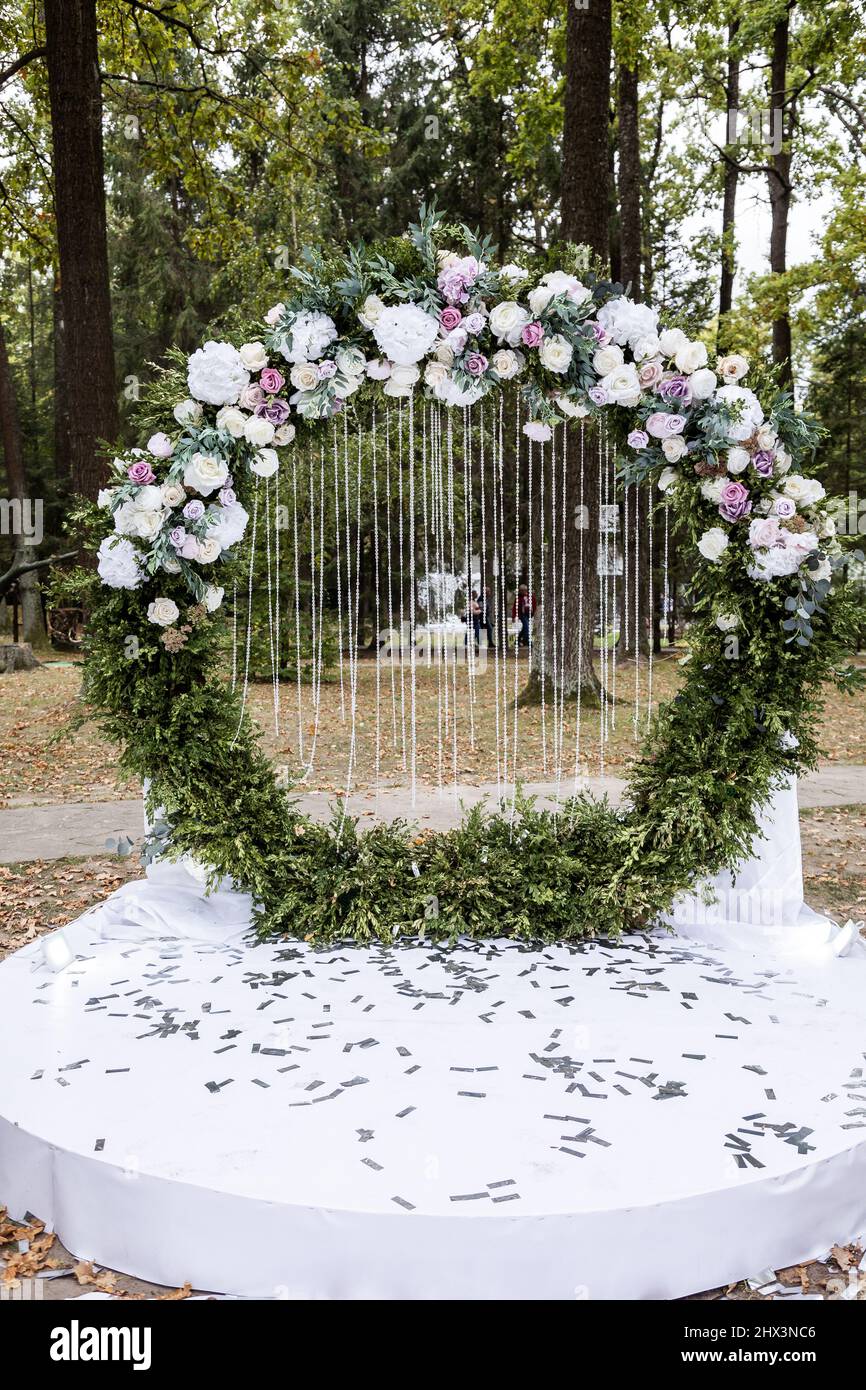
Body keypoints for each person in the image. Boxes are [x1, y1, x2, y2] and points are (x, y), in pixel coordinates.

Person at [511, 584, 535, 648]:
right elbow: (514, 607)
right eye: (521, 590)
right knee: (526, 627)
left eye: (523, 590)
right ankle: (528, 642)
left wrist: (533, 613)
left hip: (529, 614)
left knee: (524, 628)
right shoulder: (518, 598)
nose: (522, 591)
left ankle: (517, 641)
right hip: (522, 615)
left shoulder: (530, 596)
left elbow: (534, 604)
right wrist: (513, 616)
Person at [479, 585, 495, 650]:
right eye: (489, 592)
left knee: (485, 629)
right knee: (489, 629)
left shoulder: (485, 598)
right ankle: (489, 642)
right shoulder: (481, 599)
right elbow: (481, 608)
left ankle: (488, 642)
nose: (490, 593)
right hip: (483, 616)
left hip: (485, 616)